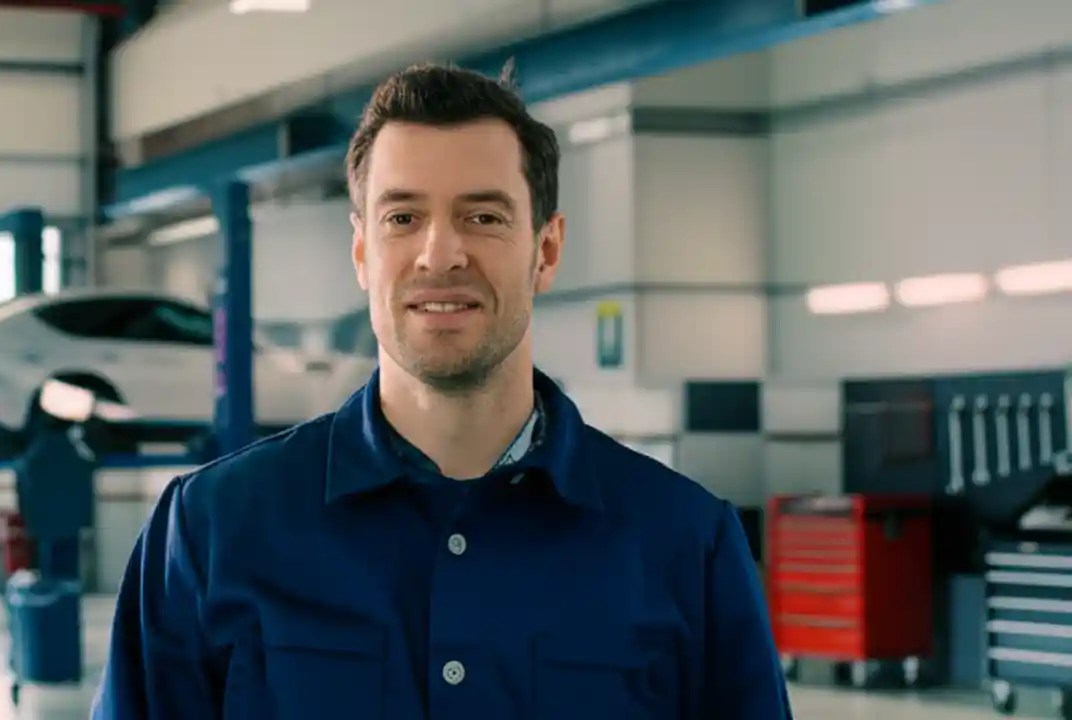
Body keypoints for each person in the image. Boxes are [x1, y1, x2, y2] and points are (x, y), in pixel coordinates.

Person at [91, 62, 793, 720]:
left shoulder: (684, 547)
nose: (440, 254)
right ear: (362, 251)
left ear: (546, 251)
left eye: (483, 217)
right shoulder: (213, 533)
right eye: (403, 218)